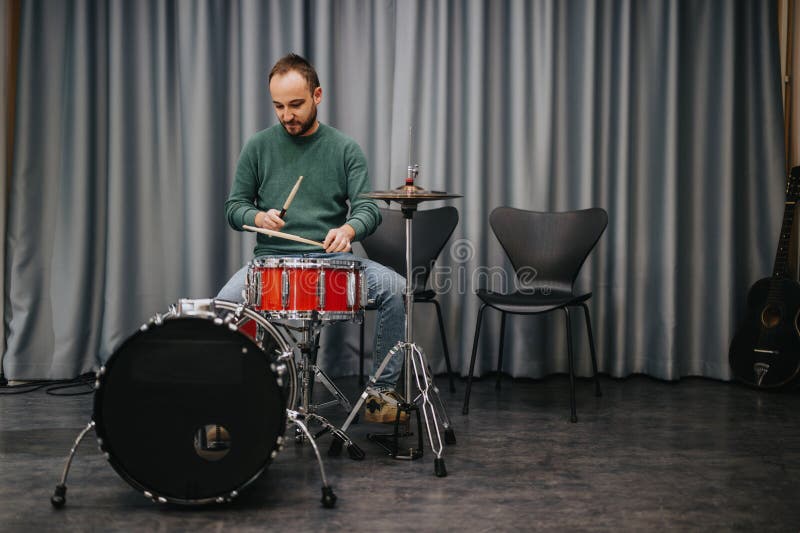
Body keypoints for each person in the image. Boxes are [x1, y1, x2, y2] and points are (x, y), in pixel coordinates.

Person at [216, 53, 407, 423]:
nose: (287, 115)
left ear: (317, 95)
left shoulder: (345, 148)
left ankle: (380, 398)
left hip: (332, 261)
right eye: (278, 106)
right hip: (270, 263)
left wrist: (348, 229)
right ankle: (238, 403)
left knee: (395, 288)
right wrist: (256, 216)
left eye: (296, 105)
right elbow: (234, 207)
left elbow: (367, 211)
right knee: (224, 308)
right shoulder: (258, 147)